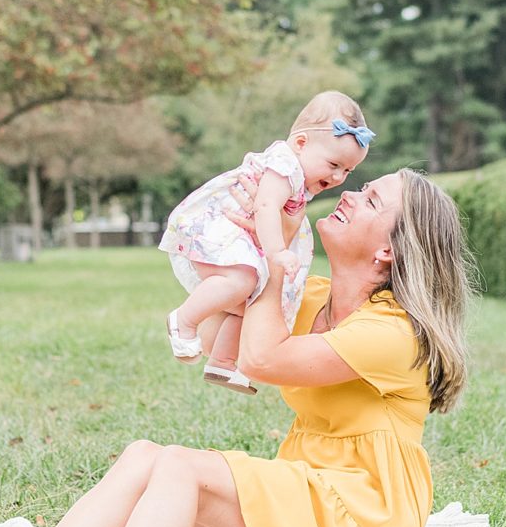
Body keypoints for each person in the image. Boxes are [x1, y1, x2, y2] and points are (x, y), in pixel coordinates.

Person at [0, 168, 476, 527]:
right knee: (146, 456)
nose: (349, 195)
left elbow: (263, 360)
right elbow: (228, 325)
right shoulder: (314, 295)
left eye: (370, 200)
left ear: (388, 251)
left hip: (364, 524)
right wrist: (253, 234)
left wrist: (273, 266)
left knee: (183, 468)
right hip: (309, 503)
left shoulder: (393, 332)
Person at [158, 90, 373, 394]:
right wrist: (277, 252)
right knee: (243, 280)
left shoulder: (298, 175)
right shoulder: (284, 165)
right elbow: (265, 206)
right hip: (222, 226)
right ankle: (183, 321)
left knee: (250, 301)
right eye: (333, 164)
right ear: (301, 143)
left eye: (347, 170)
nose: (339, 177)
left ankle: (223, 362)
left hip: (245, 236)